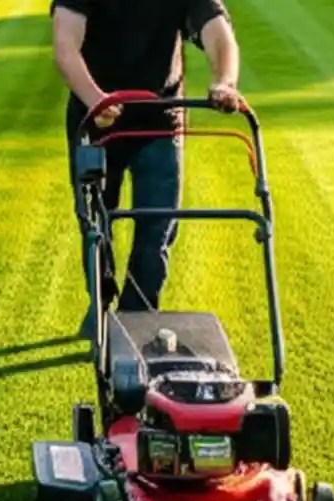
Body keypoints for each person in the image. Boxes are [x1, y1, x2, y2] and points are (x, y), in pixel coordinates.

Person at [50, 0, 246, 339]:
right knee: (96, 220)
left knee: (157, 225)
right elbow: (65, 46)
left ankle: (136, 317)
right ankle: (101, 298)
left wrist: (225, 82)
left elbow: (216, 30)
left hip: (161, 116)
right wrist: (96, 98)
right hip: (96, 117)